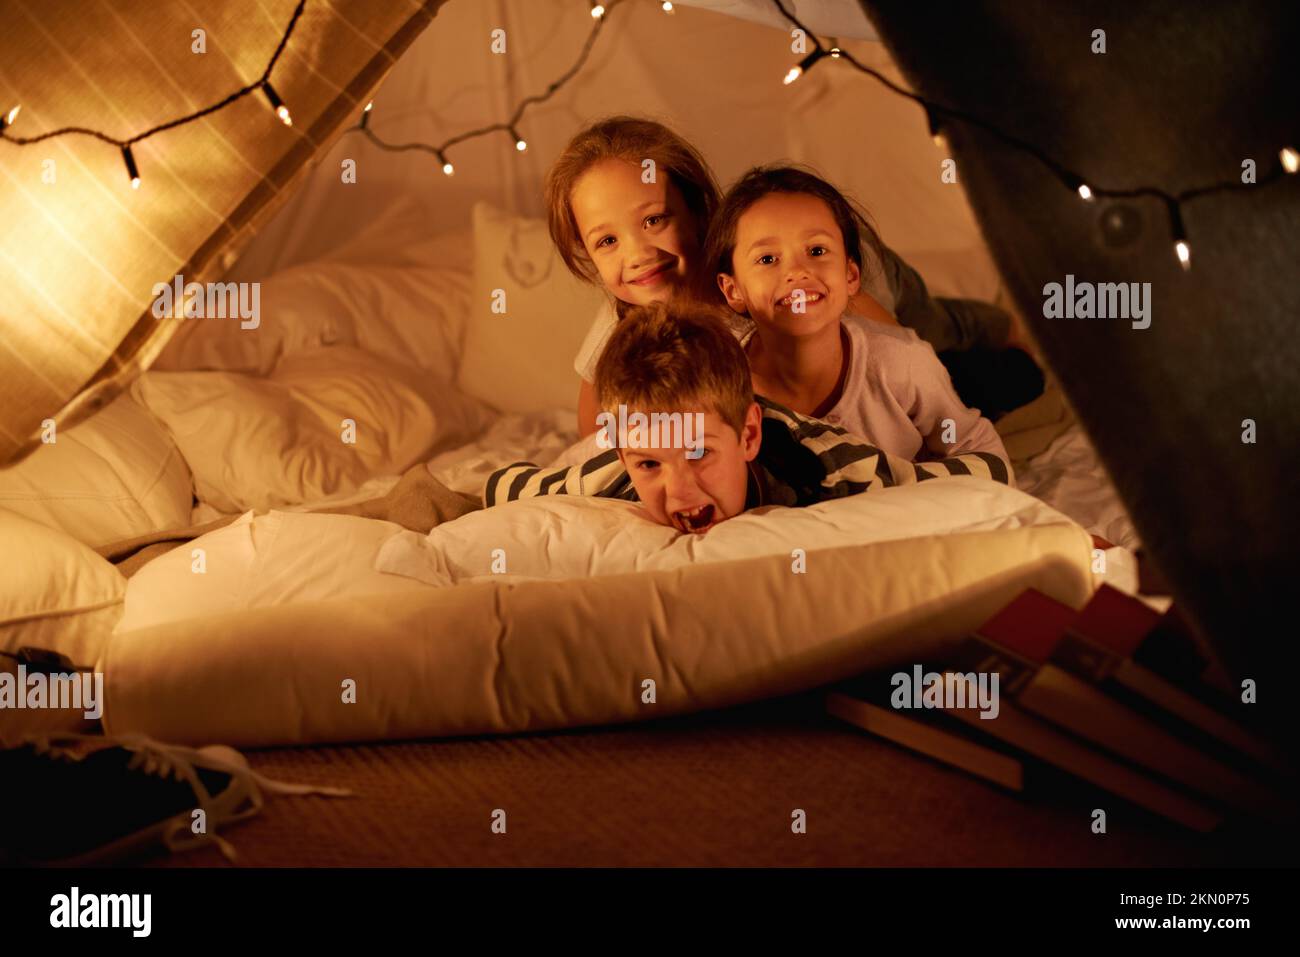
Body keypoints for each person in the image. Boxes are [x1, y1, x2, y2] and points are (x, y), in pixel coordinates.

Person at [544, 116, 1036, 438]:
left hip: (859, 273)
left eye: (654, 220)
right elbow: (599, 440)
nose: (638, 254)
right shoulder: (619, 329)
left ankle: (995, 320)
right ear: (586, 254)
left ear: (696, 210)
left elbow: (891, 348)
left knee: (938, 330)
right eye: (607, 241)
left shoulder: (768, 271)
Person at [486, 303, 1012, 535]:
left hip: (938, 362)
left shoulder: (833, 466)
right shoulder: (611, 475)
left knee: (1002, 373)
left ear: (749, 437)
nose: (680, 489)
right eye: (649, 464)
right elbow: (509, 488)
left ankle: (1003, 329)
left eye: (698, 453)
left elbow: (981, 479)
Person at [705, 165, 1010, 466]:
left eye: (816, 251)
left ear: (851, 276)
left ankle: (1007, 329)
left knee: (1012, 375)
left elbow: (983, 451)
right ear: (732, 290)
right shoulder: (716, 384)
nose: (797, 271)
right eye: (767, 258)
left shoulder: (902, 363)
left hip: (929, 343)